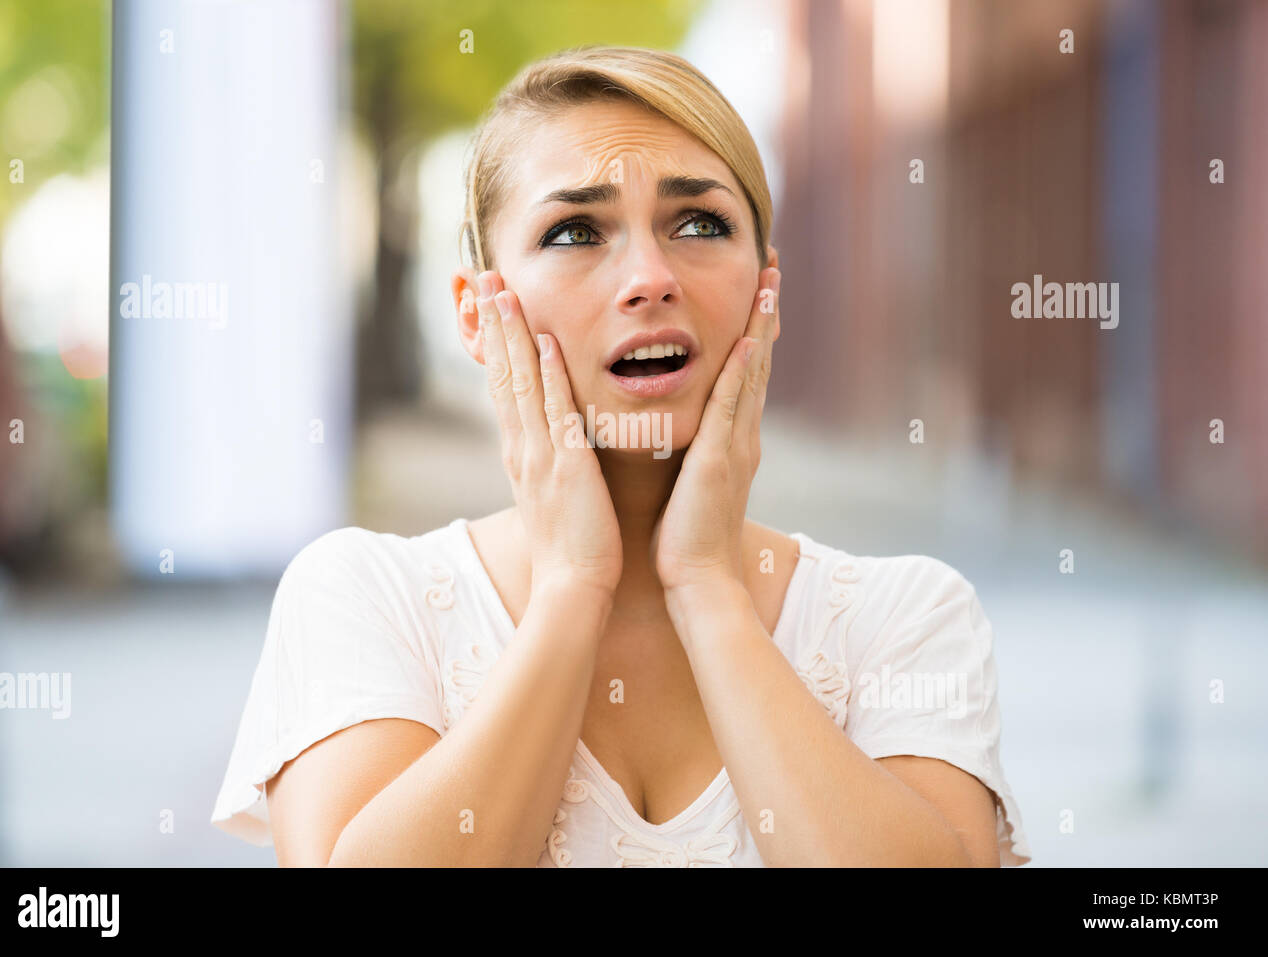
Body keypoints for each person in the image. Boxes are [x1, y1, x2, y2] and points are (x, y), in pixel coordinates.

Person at [211, 45, 1031, 868]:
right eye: (575, 230)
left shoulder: (909, 617)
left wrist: (708, 588)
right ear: (476, 313)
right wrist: (573, 584)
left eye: (700, 224)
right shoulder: (362, 597)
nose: (649, 278)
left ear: (766, 289)